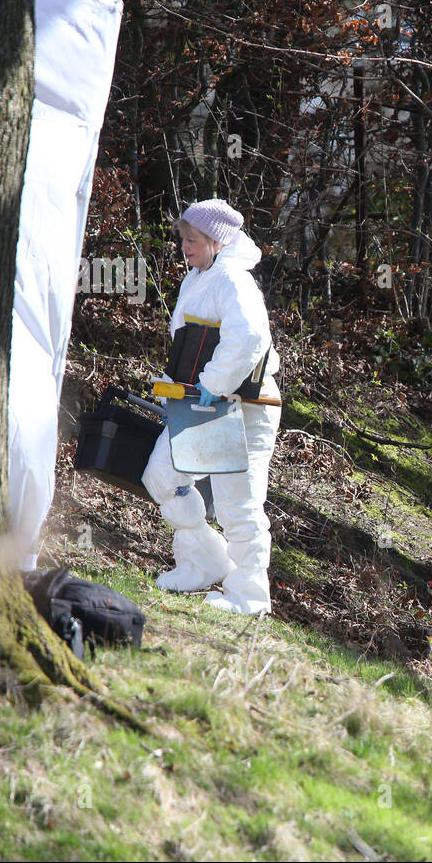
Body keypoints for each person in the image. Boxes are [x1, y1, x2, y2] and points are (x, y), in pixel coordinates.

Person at [141, 199, 281, 615]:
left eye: (193, 240)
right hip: (202, 403)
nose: (185, 247)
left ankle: (249, 597)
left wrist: (213, 383)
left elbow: (249, 338)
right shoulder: (198, 277)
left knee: (239, 503)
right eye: (183, 239)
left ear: (218, 241)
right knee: (162, 477)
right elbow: (191, 341)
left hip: (244, 407)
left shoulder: (233, 280)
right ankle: (202, 562)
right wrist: (181, 386)